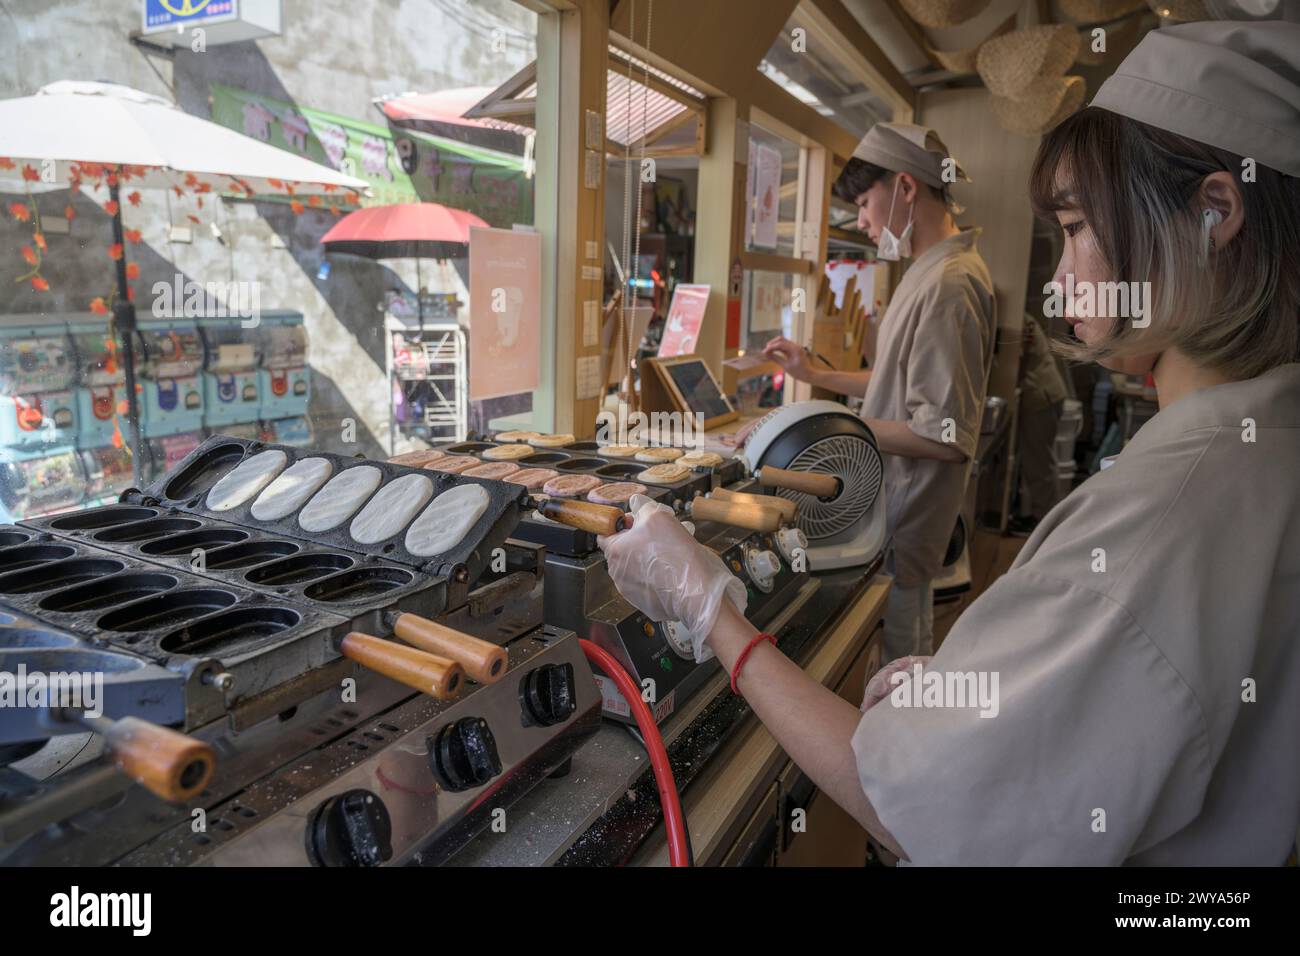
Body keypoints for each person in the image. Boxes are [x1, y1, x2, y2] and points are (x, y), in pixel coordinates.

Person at [600, 19, 1300, 864]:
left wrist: (707, 606)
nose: (1060, 274)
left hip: (910, 523)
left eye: (1077, 227)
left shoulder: (1165, 513)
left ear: (1213, 211)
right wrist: (822, 377)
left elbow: (910, 805)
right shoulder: (1261, 441)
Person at [761, 123, 995, 661]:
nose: (861, 220)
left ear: (907, 188)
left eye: (866, 202)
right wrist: (818, 374)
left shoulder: (950, 283)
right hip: (892, 504)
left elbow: (942, 436)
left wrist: (824, 429)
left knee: (902, 654)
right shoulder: (926, 271)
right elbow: (897, 378)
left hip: (909, 512)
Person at [1010, 313, 1070, 535]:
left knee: (1039, 466)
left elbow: (1014, 359)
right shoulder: (1023, 317)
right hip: (1048, 394)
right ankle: (1043, 522)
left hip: (1040, 398)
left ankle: (1046, 528)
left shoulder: (1018, 320)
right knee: (1041, 463)